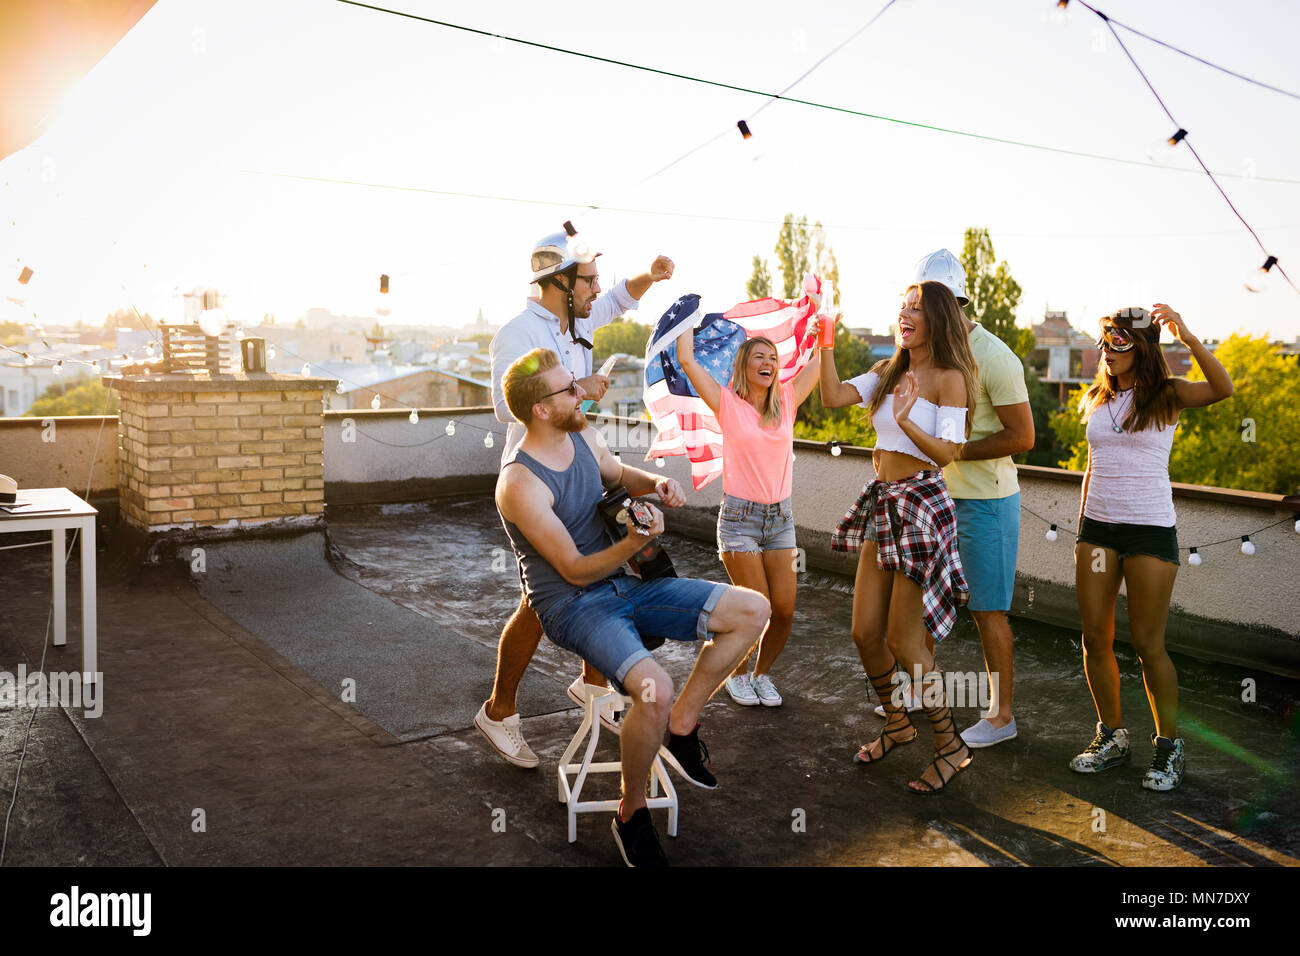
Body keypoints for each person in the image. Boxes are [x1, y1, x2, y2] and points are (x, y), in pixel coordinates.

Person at [496, 347, 769, 865]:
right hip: (574, 606)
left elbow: (618, 474)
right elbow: (574, 569)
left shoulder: (582, 434)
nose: (581, 390)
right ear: (542, 410)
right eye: (568, 388)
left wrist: (658, 485)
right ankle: (631, 814)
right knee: (653, 688)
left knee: (752, 610)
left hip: (624, 583)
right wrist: (634, 539)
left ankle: (683, 725)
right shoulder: (519, 482)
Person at [475, 230, 674, 768]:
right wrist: (578, 390)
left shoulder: (575, 319)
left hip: (586, 461)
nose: (597, 291)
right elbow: (503, 405)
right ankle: (499, 712)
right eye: (587, 280)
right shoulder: (516, 333)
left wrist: (649, 279)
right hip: (541, 479)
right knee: (548, 598)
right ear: (559, 282)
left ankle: (594, 689)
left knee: (599, 578)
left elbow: (617, 301)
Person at [819, 279, 978, 793]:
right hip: (885, 504)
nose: (905, 315)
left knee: (906, 642)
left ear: (938, 319)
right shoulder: (889, 371)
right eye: (902, 307)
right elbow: (832, 396)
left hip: (921, 506)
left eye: (916, 308)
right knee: (865, 632)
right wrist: (824, 339)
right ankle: (897, 721)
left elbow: (949, 453)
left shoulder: (949, 378)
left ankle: (950, 745)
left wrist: (907, 421)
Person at [1068, 304, 1232, 791]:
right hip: (1098, 531)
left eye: (1118, 342)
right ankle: (1112, 736)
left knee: (1146, 644)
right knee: (1095, 637)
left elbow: (1224, 388)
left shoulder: (1166, 396)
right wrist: (1082, 529)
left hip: (1148, 532)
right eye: (1104, 342)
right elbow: (1093, 466)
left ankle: (1168, 747)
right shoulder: (1098, 397)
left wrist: (1188, 336)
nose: (1107, 351)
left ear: (1140, 348)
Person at [904, 251, 1036, 749]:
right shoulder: (926, 353)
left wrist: (957, 453)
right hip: (934, 497)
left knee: (986, 611)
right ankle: (919, 692)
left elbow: (1022, 435)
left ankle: (1002, 717)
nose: (920, 312)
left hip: (985, 504)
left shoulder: (995, 356)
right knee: (919, 604)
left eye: (929, 302)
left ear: (955, 302)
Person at [673, 327, 821, 707]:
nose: (768, 362)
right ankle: (737, 675)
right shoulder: (727, 404)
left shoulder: (787, 400)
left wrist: (825, 331)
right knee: (759, 607)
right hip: (740, 522)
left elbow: (820, 364)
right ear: (743, 366)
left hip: (781, 521)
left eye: (773, 358)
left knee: (785, 609)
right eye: (759, 357)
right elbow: (688, 361)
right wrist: (684, 322)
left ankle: (761, 674)